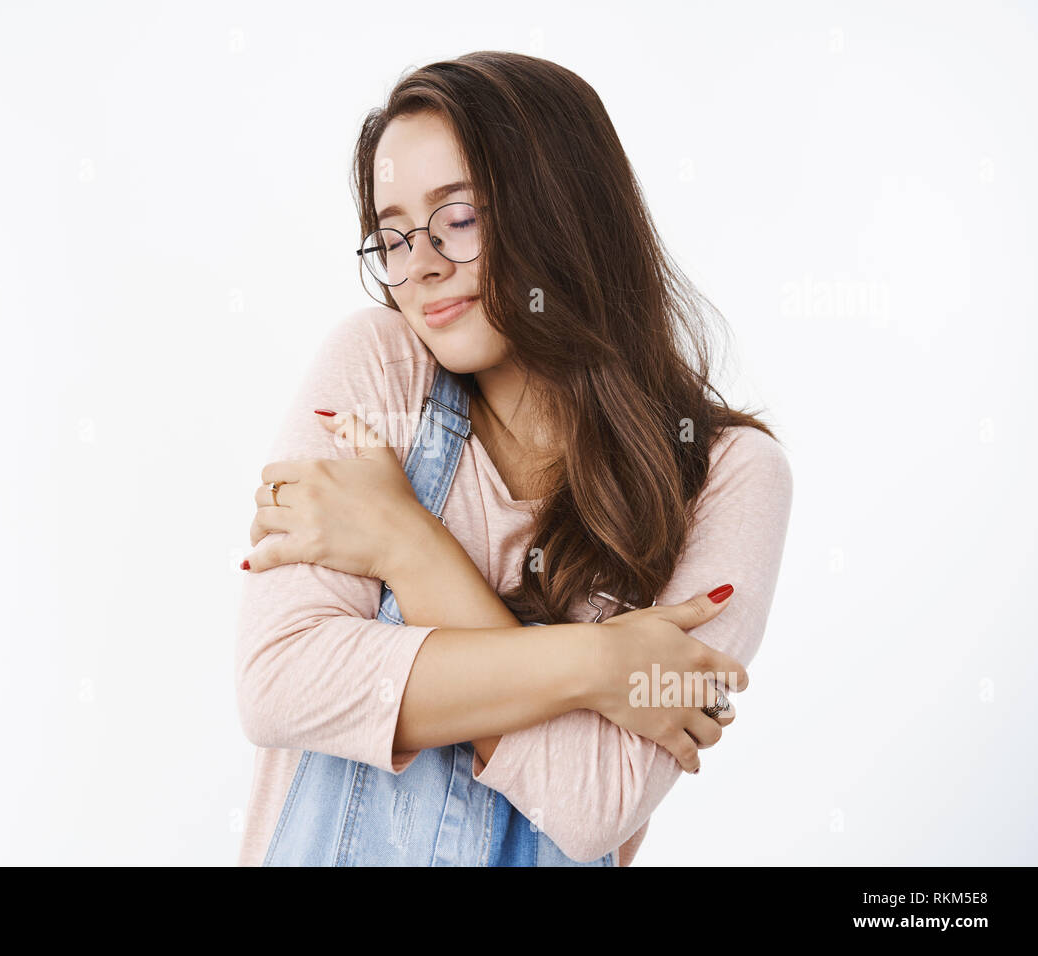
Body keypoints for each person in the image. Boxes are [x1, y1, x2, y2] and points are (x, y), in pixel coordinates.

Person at [234, 51, 793, 866]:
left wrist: (407, 545)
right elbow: (278, 682)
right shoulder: (383, 370)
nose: (419, 266)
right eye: (392, 236)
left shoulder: (726, 476)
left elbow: (595, 802)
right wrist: (601, 662)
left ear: (564, 211)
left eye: (456, 220)